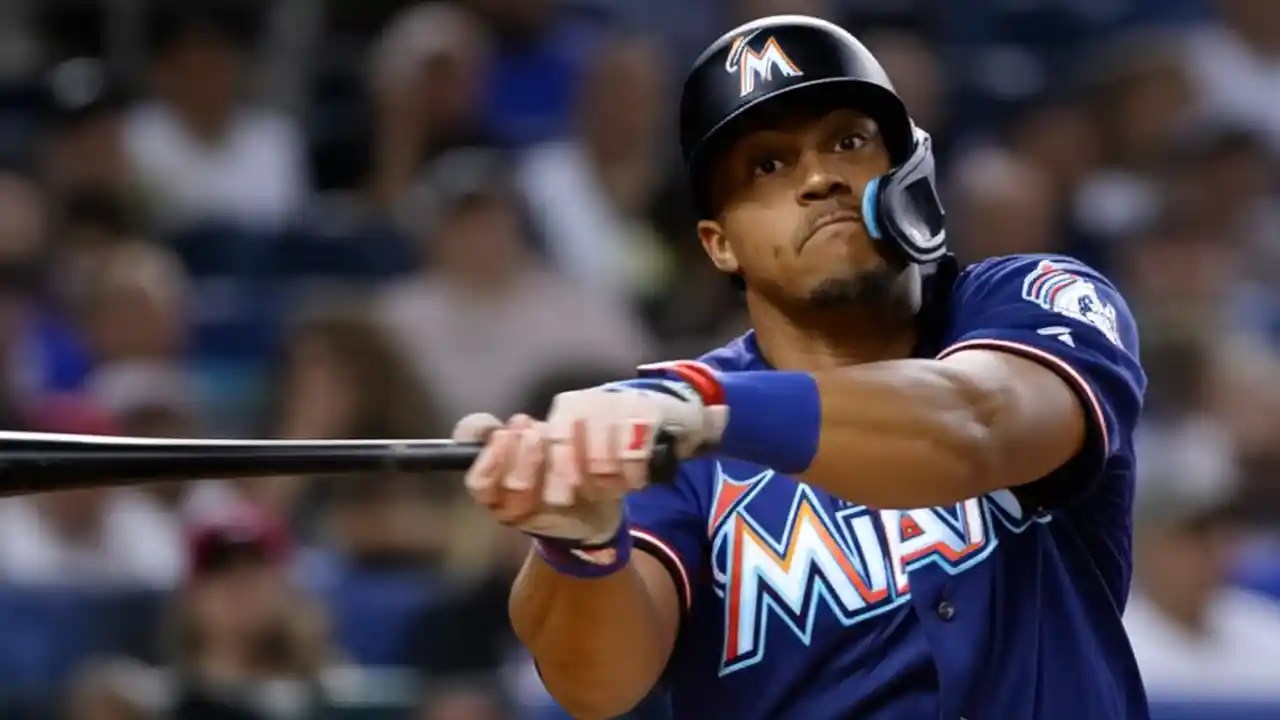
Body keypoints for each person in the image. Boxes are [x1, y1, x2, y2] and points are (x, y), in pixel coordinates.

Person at [454, 16, 1148, 720]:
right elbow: (596, 687)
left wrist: (704, 414)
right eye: (767, 165)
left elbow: (978, 425)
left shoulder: (1035, 299)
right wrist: (579, 543)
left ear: (909, 169)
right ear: (719, 244)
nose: (819, 179)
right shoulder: (666, 431)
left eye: (849, 142)